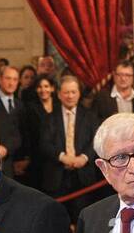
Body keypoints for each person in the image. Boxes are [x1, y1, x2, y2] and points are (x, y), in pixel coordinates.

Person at [41, 74, 100, 220]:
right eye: (66, 92)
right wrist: (63, 157)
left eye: (73, 92)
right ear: (59, 95)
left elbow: (96, 141)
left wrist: (84, 157)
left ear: (79, 93)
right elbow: (44, 143)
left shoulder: (90, 116)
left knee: (83, 220)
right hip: (57, 177)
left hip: (84, 178)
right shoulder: (49, 118)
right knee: (57, 221)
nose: (70, 96)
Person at [20, 74, 56, 191]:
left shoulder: (59, 106)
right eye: (40, 87)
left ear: (52, 88)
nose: (43, 90)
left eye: (46, 86)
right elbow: (27, 133)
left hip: (57, 154)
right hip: (37, 155)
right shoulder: (30, 108)